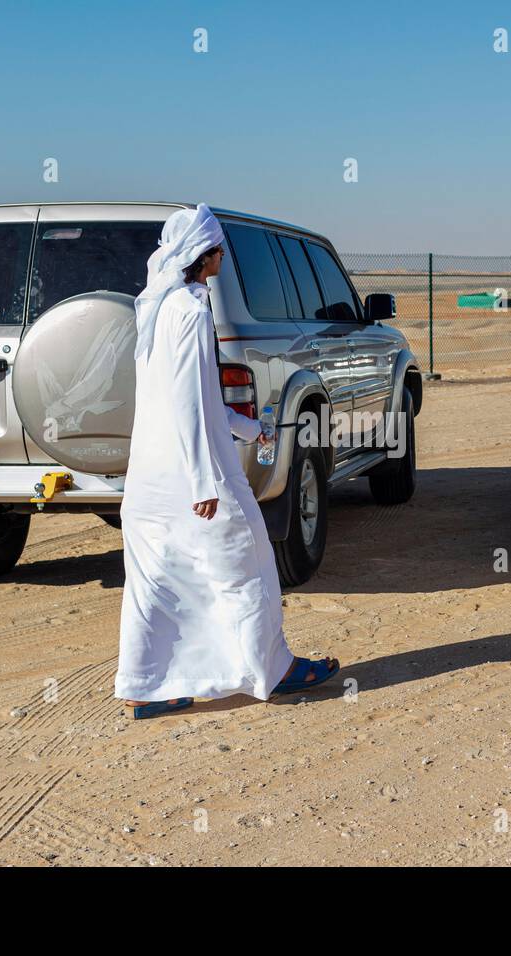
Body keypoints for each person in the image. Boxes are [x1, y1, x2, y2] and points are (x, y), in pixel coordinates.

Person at [115, 204, 339, 719]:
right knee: (249, 562)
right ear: (205, 255)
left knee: (155, 576)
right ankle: (273, 670)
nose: (224, 259)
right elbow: (190, 402)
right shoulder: (192, 310)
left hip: (149, 476)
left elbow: (187, 398)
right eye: (220, 250)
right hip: (191, 471)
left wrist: (247, 428)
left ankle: (143, 684)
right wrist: (203, 482)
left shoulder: (156, 308)